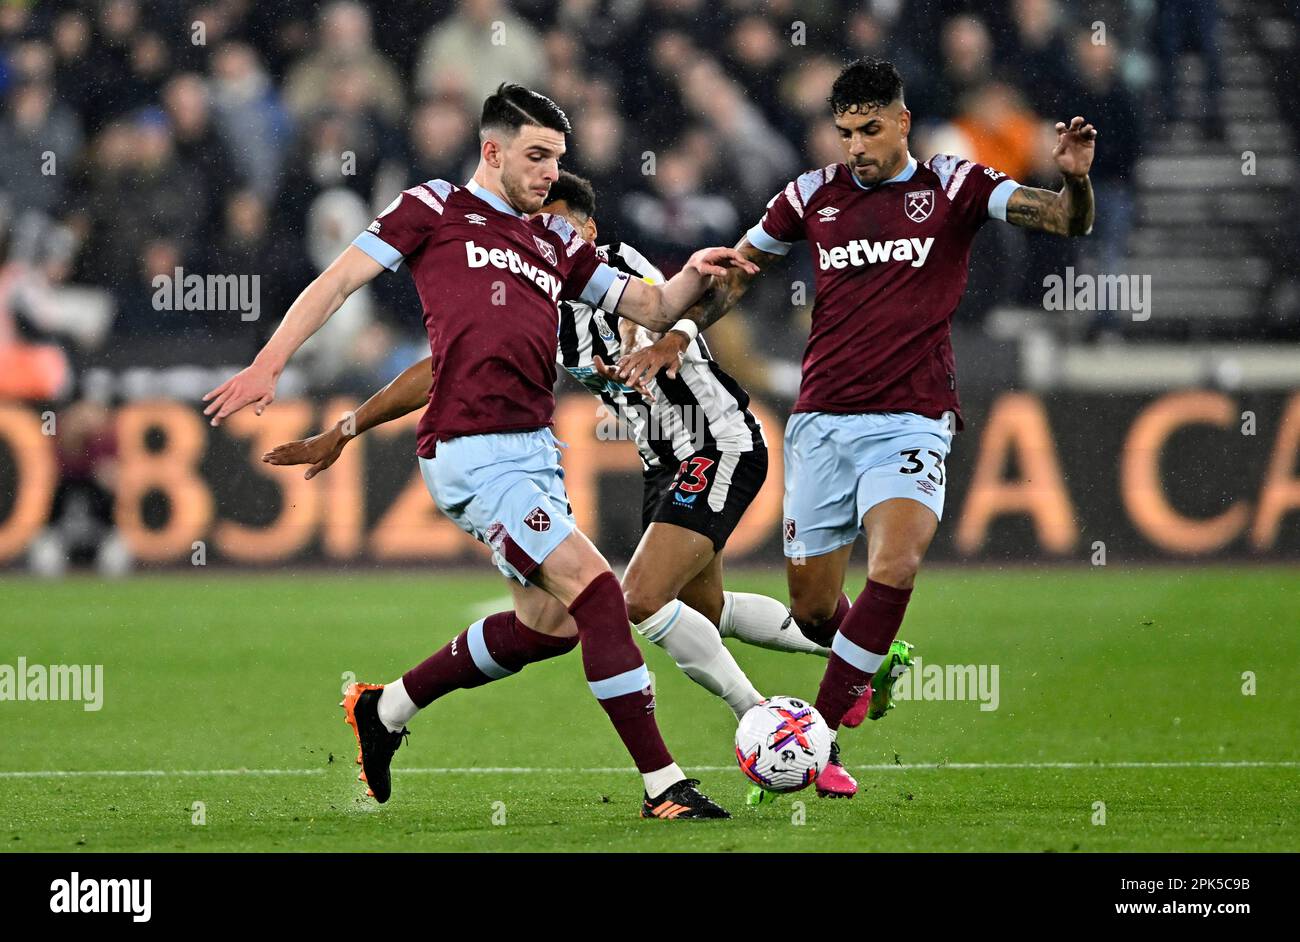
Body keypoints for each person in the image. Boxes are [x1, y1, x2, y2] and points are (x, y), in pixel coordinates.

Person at [203, 84, 757, 819]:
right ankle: (665, 787)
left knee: (548, 627)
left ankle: (385, 709)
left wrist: (694, 274)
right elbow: (339, 281)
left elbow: (651, 306)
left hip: (534, 452)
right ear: (492, 151)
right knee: (598, 595)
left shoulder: (555, 240)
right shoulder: (432, 208)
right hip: (471, 450)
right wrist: (271, 361)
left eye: (557, 160)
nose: (548, 174)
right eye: (535, 156)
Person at [263, 171, 905, 802]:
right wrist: (348, 427)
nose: (544, 234)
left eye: (559, 223)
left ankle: (777, 728)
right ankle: (865, 659)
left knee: (638, 599)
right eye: (535, 222)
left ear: (589, 230)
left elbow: (692, 291)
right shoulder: (534, 295)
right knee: (696, 613)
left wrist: (658, 335)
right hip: (666, 464)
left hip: (719, 444)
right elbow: (442, 368)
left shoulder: (618, 266)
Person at [618, 56, 1096, 797]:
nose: (857, 148)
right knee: (812, 610)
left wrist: (1076, 179)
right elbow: (738, 273)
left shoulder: (955, 184)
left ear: (902, 122)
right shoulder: (812, 194)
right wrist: (680, 334)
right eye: (845, 133)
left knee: (896, 564)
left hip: (912, 414)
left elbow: (1066, 219)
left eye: (870, 130)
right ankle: (871, 662)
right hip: (821, 422)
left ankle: (822, 734)